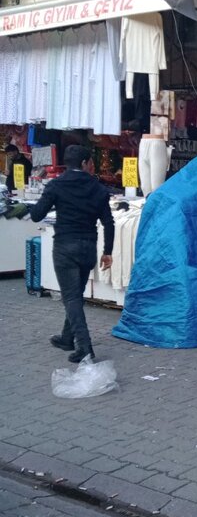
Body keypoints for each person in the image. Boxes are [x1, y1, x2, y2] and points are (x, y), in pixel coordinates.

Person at [26, 145, 114, 363]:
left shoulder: (56, 185)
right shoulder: (98, 188)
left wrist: (31, 205)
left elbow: (37, 215)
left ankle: (84, 347)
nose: (93, 165)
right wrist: (108, 252)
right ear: (84, 163)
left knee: (71, 296)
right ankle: (67, 338)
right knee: (75, 293)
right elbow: (108, 223)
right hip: (87, 247)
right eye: (91, 162)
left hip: (65, 246)